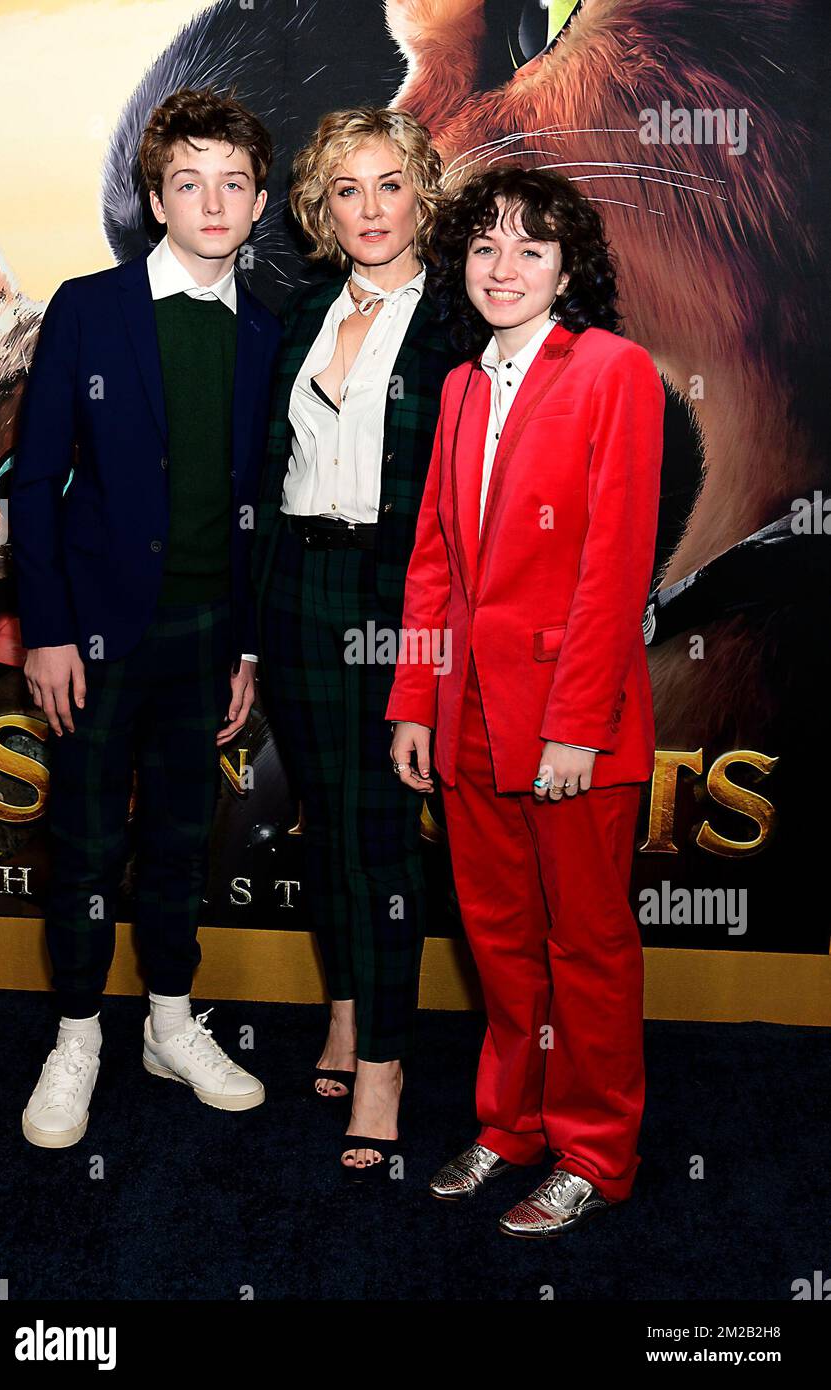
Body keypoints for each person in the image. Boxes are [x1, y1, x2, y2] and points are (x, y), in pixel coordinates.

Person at [387, 166, 665, 1234]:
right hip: (465, 718)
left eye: (531, 249)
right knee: (497, 939)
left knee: (584, 946)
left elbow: (612, 565)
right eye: (484, 246)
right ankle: (508, 1125)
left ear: (567, 268)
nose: (503, 268)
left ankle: (593, 1149)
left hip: (569, 727)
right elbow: (431, 562)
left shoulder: (612, 370)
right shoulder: (459, 386)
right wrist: (415, 698)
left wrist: (573, 729)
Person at [10, 86, 280, 1148]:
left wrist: (248, 640)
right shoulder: (88, 305)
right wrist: (43, 630)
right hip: (92, 637)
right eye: (187, 183)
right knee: (82, 847)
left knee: (178, 843)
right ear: (155, 197)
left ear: (258, 203)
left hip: (208, 637)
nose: (211, 202)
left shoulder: (263, 331)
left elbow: (261, 489)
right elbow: (34, 483)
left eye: (232, 184)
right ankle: (77, 1034)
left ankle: (170, 1020)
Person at [251, 107, 463, 1176]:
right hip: (297, 584)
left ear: (422, 193)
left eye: (389, 185)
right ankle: (341, 1010)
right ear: (319, 209)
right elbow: (265, 476)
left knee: (379, 834)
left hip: (397, 593)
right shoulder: (297, 314)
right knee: (323, 824)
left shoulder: (460, 320)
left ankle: (381, 1065)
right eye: (346, 190)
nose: (370, 209)